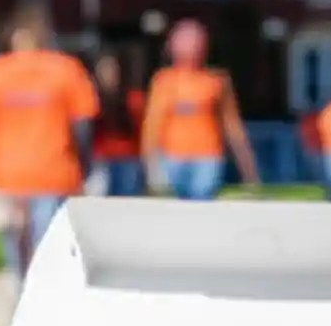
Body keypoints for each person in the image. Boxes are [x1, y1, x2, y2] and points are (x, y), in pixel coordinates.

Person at [0, 5, 98, 286]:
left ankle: (23, 290)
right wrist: (85, 167)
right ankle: (41, 294)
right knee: (47, 244)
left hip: (7, 175)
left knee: (17, 242)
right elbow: (83, 126)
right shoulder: (66, 69)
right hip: (54, 171)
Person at [141, 19, 260, 200]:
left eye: (195, 40)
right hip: (172, 158)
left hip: (207, 157)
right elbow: (152, 127)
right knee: (171, 212)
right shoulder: (163, 81)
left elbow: (232, 126)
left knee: (202, 208)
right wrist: (151, 167)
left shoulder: (216, 81)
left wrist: (249, 171)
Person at [92, 51, 146, 197]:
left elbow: (144, 132)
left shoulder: (134, 99)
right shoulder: (90, 99)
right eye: (104, 70)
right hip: (100, 161)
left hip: (128, 160)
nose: (109, 75)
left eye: (113, 69)